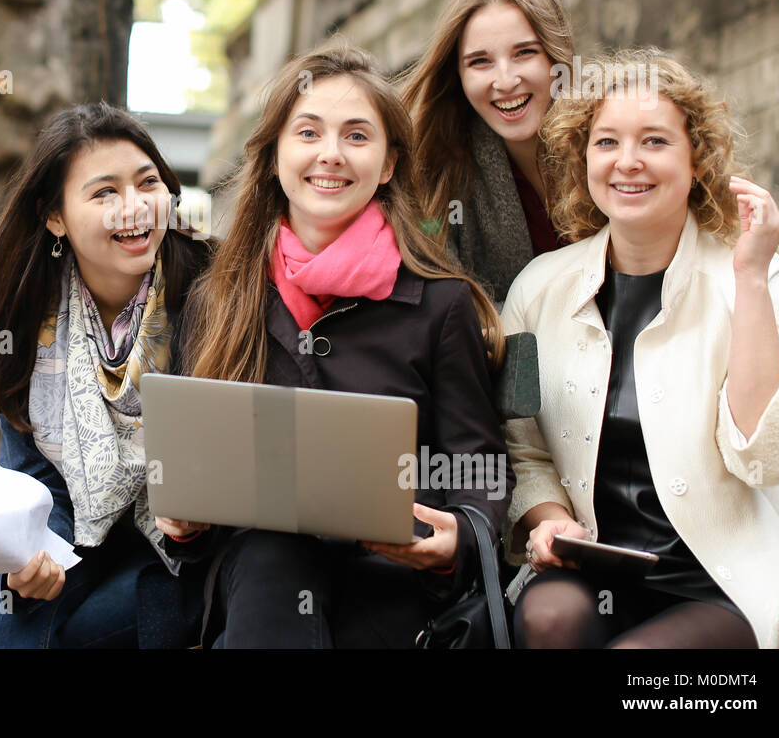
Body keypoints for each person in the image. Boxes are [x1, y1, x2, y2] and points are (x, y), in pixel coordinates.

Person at [157, 41, 512, 648]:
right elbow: (191, 479)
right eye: (308, 133)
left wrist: (458, 535)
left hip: (393, 577)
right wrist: (184, 526)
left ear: (390, 162)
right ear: (273, 156)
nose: (330, 155)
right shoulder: (218, 299)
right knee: (271, 560)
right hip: (259, 581)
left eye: (356, 135)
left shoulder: (440, 304)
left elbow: (477, 466)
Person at [502, 49, 779, 648]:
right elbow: (524, 450)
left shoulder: (761, 280)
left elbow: (766, 460)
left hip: (714, 580)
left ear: (698, 160)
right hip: (590, 565)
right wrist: (549, 520)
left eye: (656, 142)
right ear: (584, 157)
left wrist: (749, 276)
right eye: (607, 142)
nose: (628, 162)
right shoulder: (536, 288)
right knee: (548, 620)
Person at [0, 102, 214, 648]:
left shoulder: (213, 294)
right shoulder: (28, 319)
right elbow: (33, 482)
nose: (134, 208)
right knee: (10, 598)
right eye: (104, 193)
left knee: (79, 636)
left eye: (147, 184)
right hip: (73, 537)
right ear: (55, 216)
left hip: (185, 551)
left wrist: (202, 510)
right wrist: (27, 557)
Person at [402, 0, 575, 302]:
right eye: (480, 62)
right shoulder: (438, 177)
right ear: (459, 75)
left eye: (525, 53)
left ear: (556, 58)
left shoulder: (614, 146)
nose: (505, 80)